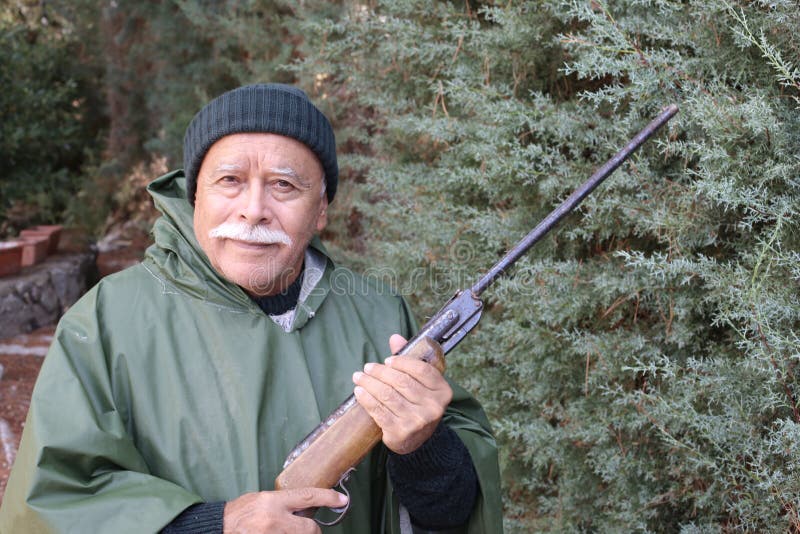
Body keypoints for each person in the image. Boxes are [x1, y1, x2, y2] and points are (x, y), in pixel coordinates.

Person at [0, 84, 502, 533]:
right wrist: (211, 525)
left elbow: (452, 511)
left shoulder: (380, 315)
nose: (253, 208)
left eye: (284, 185)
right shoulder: (104, 321)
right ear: (195, 193)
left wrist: (422, 449)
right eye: (230, 181)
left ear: (322, 209)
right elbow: (50, 504)